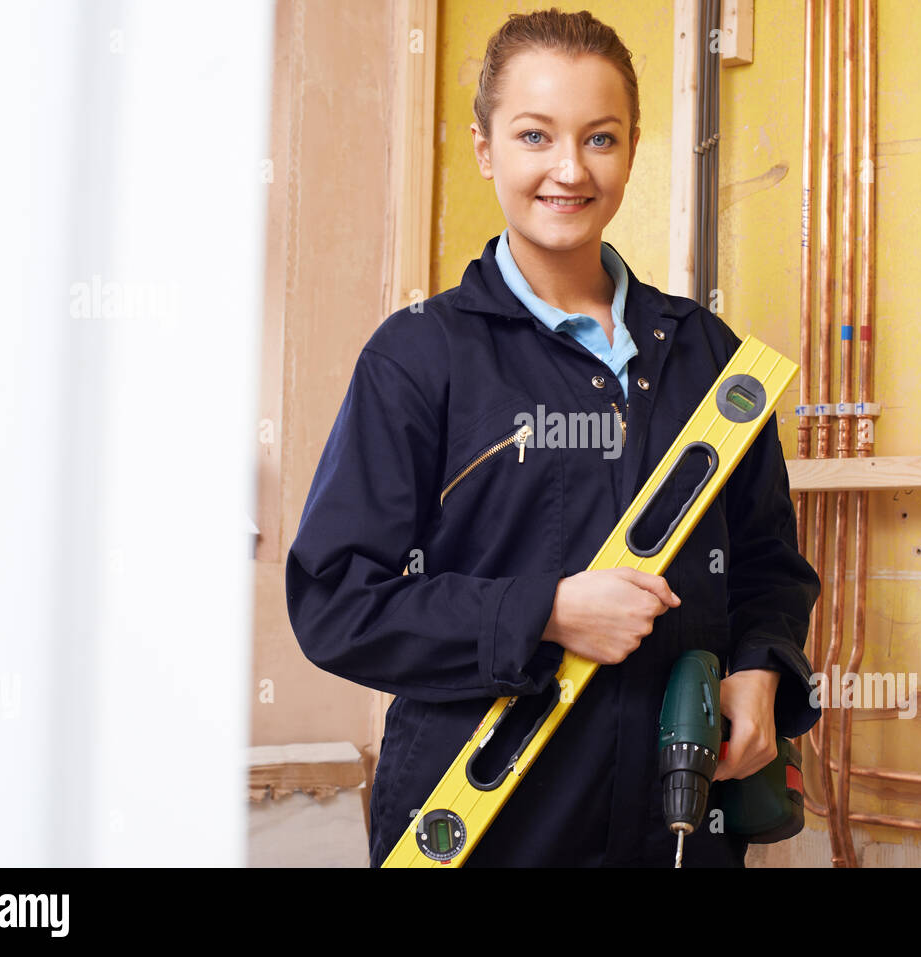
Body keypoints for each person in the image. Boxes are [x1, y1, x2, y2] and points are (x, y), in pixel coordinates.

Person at [285, 7, 821, 867]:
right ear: (487, 147)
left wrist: (761, 666)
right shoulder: (419, 357)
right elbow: (338, 604)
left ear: (633, 148)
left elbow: (767, 564)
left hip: (674, 830)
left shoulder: (708, 358)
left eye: (600, 139)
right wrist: (548, 612)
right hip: (482, 828)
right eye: (535, 136)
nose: (569, 169)